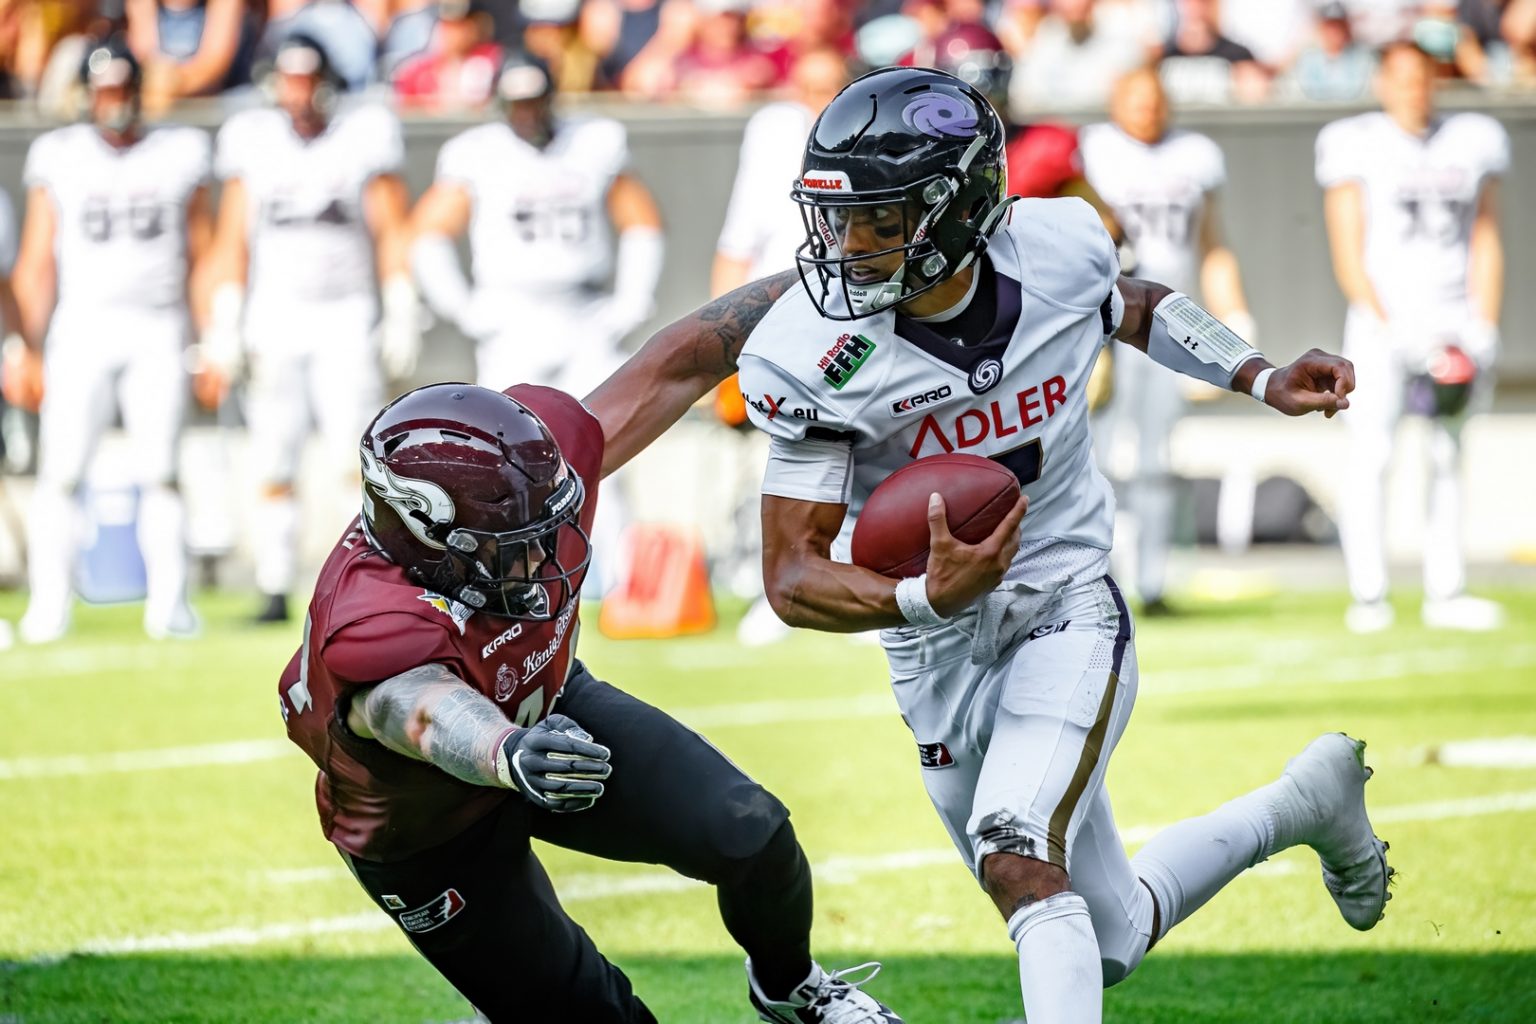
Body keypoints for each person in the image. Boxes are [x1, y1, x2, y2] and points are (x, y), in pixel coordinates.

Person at [592, 67, 1389, 1024]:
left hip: (1063, 596)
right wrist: (924, 598)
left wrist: (1255, 374)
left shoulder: (1057, 246)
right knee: (1110, 936)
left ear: (959, 210)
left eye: (879, 221)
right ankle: (1307, 802)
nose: (845, 247)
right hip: (929, 643)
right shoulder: (814, 348)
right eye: (835, 218)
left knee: (1018, 853)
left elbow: (1128, 305)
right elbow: (791, 574)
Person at [278, 381, 904, 1024]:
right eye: (514, 542)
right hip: (426, 826)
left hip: (544, 713)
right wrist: (508, 752)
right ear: (431, 540)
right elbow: (417, 710)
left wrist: (792, 300)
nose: (545, 555)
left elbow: (680, 364)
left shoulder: (533, 463)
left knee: (750, 831)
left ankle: (791, 989)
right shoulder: (371, 617)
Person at [409, 52, 661, 592]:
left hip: (583, 311)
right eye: (517, 103)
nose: (527, 114)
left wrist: (630, 300)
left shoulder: (593, 141)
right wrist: (462, 306)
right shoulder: (476, 153)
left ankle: (606, 577)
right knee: (508, 456)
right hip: (512, 314)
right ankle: (520, 577)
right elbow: (428, 230)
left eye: (535, 100)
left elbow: (640, 220)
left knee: (598, 441)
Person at [200, 32, 419, 624]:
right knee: (275, 456)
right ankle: (275, 585)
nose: (298, 95)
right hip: (276, 315)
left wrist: (401, 302)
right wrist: (224, 316)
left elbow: (390, 227)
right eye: (289, 81)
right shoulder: (253, 142)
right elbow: (232, 237)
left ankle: (367, 584)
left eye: (307, 80)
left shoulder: (360, 137)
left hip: (345, 316)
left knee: (359, 457)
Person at [10, 37, 210, 644]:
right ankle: (50, 604)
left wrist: (210, 341)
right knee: (61, 472)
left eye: (123, 88)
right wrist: (25, 345)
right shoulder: (60, 153)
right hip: (83, 326)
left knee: (162, 470)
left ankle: (170, 603)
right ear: (87, 94)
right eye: (105, 90)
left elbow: (201, 254)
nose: (114, 102)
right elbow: (37, 258)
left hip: (157, 325)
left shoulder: (180, 151)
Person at [1317, 40, 1509, 634]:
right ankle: (1368, 593)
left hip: (1454, 317)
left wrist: (1485, 320)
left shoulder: (1474, 139)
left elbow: (1484, 234)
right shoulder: (1354, 142)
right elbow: (1347, 245)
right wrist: (1386, 322)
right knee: (1374, 454)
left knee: (1450, 452)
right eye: (1401, 77)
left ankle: (1445, 588)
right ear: (1381, 81)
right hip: (1384, 323)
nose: (1413, 89)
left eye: (1423, 77)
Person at [1079, 66, 1255, 615]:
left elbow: (1212, 243)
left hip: (1169, 323)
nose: (1146, 109)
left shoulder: (1196, 155)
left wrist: (1235, 313)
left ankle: (1152, 583)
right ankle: (1095, 578)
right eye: (1135, 98)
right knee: (1097, 455)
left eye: (1155, 99)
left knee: (1158, 452)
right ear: (1113, 99)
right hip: (1102, 324)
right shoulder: (1090, 149)